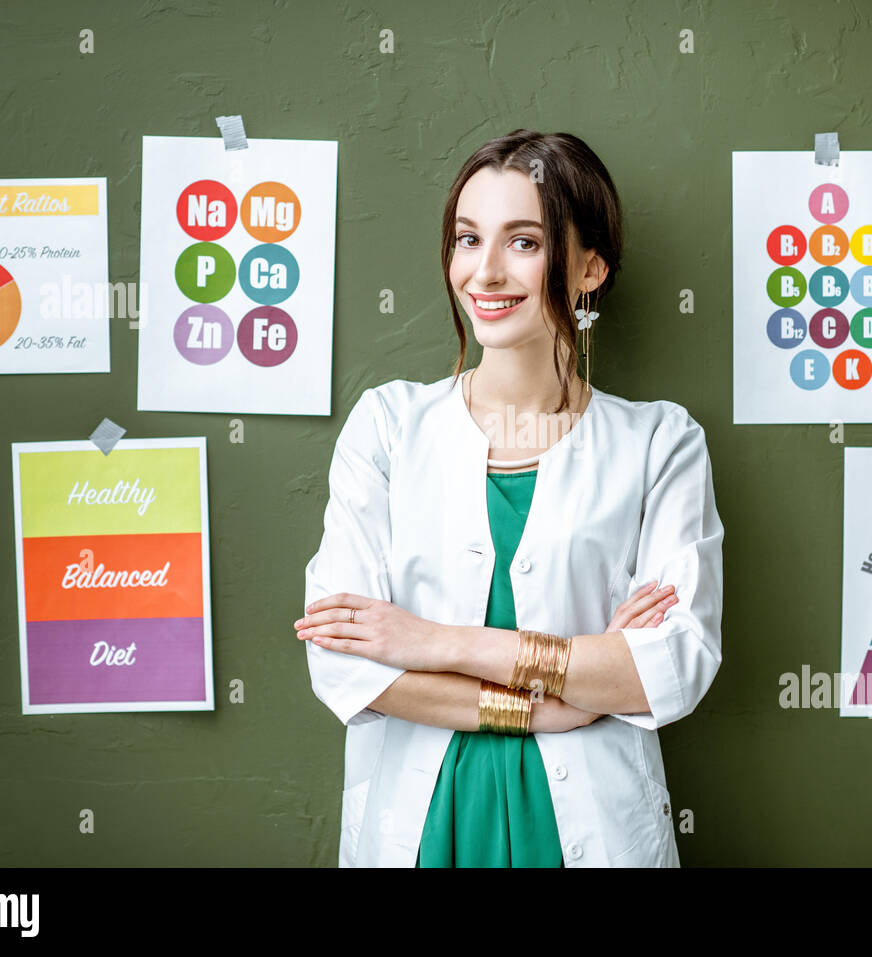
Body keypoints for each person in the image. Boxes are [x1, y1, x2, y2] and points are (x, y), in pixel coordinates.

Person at [295, 130, 724, 867]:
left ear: (590, 266)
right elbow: (344, 660)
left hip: (588, 828)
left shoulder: (661, 442)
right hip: (423, 828)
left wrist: (437, 642)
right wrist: (567, 697)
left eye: (522, 242)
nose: (484, 272)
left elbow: (671, 665)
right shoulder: (387, 427)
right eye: (467, 239)